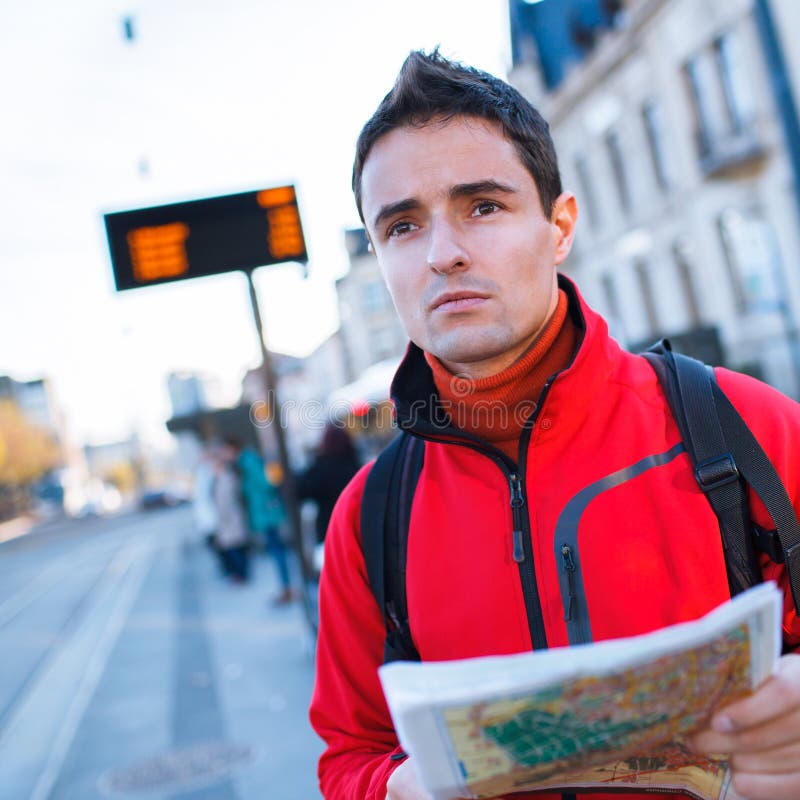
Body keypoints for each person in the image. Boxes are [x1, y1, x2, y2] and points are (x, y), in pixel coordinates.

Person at [308, 50, 800, 800]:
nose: (444, 255)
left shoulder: (744, 425)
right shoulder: (369, 519)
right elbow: (349, 755)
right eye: (403, 226)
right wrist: (394, 790)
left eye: (483, 207)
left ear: (559, 226)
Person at [228, 437, 295, 605]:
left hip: (266, 513)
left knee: (277, 551)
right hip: (264, 513)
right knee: (277, 551)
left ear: (232, 448)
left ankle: (287, 588)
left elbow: (266, 484)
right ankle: (286, 587)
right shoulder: (244, 462)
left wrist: (251, 490)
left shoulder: (248, 461)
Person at [296, 423, 362, 545]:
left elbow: (302, 491)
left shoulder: (321, 468)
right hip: (356, 527)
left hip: (330, 528)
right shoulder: (355, 465)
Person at [212, 441, 250, 583]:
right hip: (229, 521)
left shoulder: (226, 479)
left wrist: (222, 520)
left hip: (230, 520)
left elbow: (225, 502)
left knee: (235, 548)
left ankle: (242, 575)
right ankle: (240, 574)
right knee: (234, 548)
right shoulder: (222, 479)